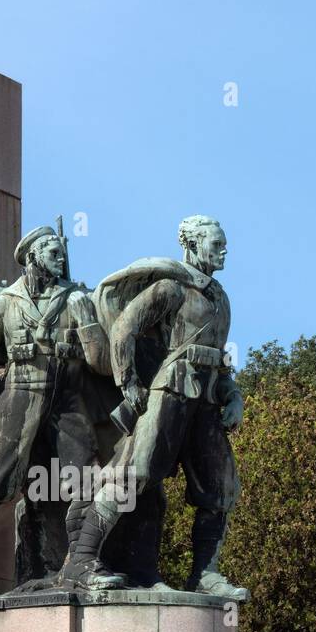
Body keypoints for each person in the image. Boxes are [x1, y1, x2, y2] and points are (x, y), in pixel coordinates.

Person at [62, 215, 249, 600]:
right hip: (172, 390)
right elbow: (124, 329)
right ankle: (81, 560)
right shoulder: (171, 288)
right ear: (194, 244)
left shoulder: (221, 298)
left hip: (209, 399)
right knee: (135, 473)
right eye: (218, 242)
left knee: (221, 486)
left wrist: (235, 397)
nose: (225, 249)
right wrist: (128, 382)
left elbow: (219, 358)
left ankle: (204, 573)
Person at [0, 225, 125, 599]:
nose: (59, 257)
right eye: (52, 251)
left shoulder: (77, 298)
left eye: (62, 251)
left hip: (67, 401)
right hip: (19, 397)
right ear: (32, 256)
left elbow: (103, 364)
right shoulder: (5, 304)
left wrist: (87, 320)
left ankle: (80, 563)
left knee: (85, 479)